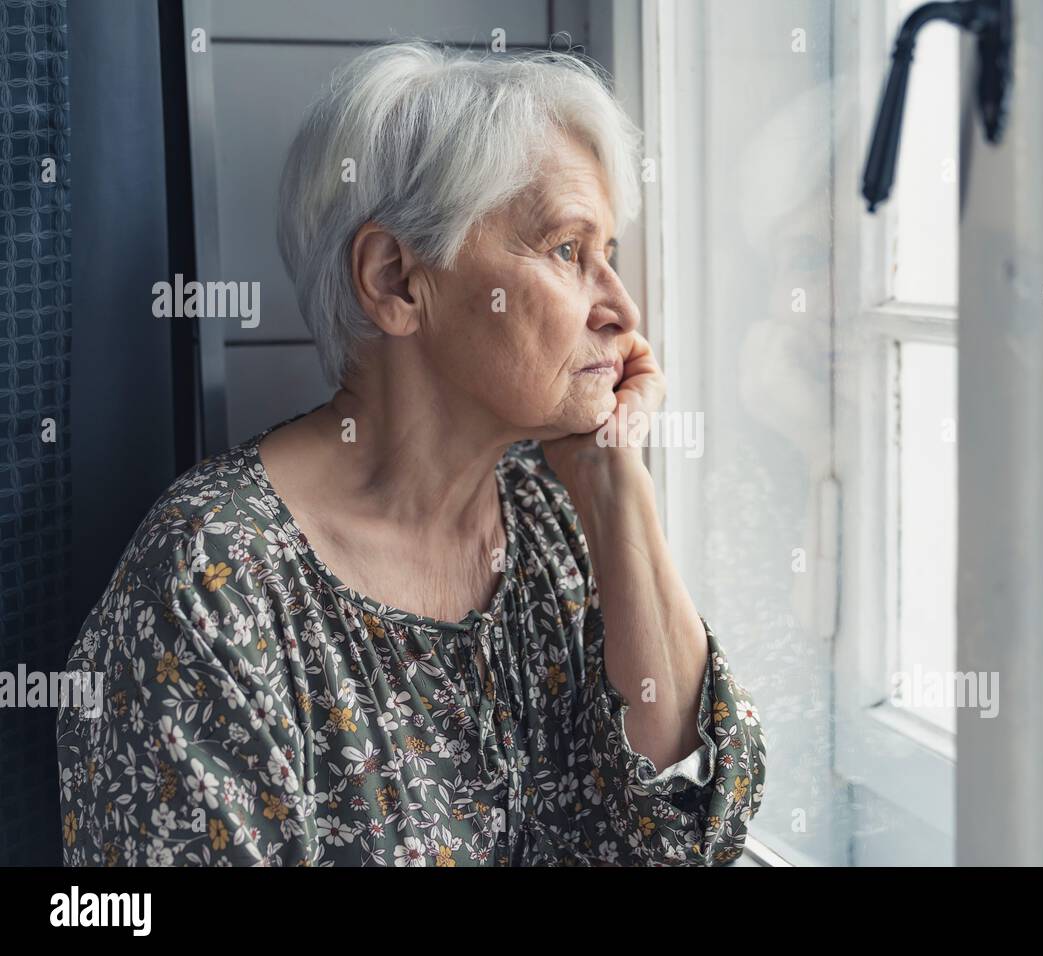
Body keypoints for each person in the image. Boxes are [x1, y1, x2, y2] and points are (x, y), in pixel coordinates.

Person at [55, 40, 765, 866]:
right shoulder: (213, 584)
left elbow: (690, 833)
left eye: (608, 254)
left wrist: (616, 481)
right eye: (569, 251)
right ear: (395, 280)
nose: (621, 307)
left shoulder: (553, 516)